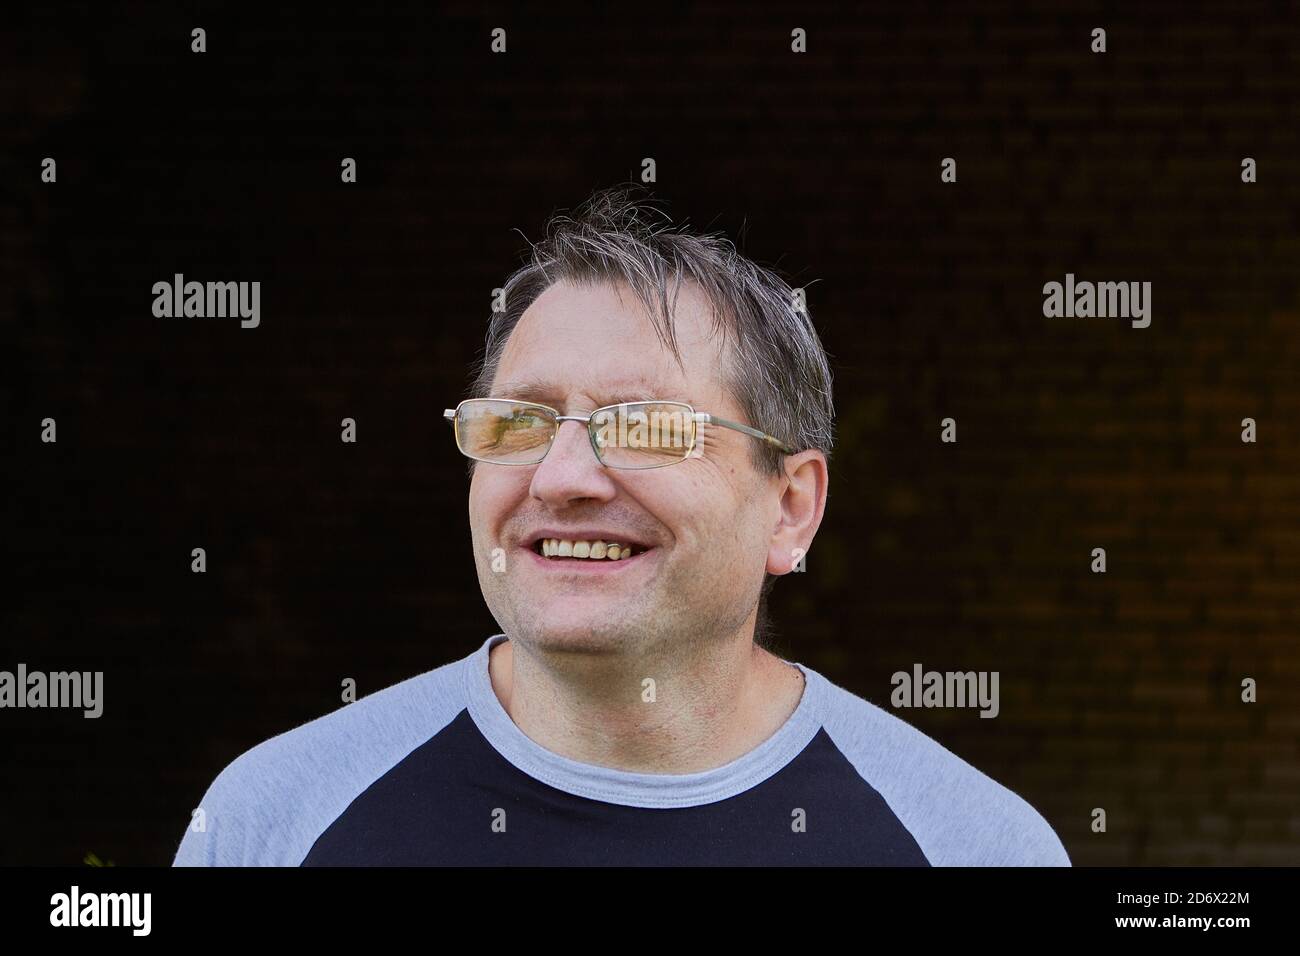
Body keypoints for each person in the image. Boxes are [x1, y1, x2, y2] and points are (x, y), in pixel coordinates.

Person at [172, 184, 1069, 866]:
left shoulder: (969, 847)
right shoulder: (274, 822)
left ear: (790, 508)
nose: (561, 479)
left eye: (646, 428)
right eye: (519, 421)